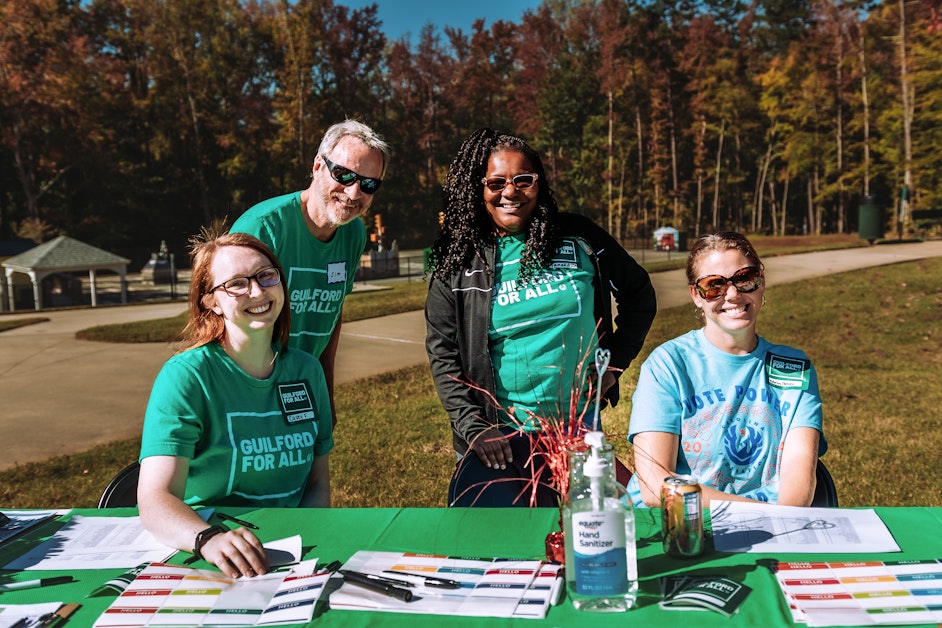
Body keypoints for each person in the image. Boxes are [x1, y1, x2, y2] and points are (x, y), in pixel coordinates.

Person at [425, 128, 657, 507]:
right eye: (496, 182)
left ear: (539, 182)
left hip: (578, 431)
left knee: (606, 536)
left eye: (523, 179)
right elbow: (443, 355)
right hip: (498, 441)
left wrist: (614, 363)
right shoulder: (459, 261)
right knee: (507, 553)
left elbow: (640, 296)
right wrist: (474, 429)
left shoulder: (580, 236)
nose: (510, 192)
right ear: (477, 188)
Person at [137, 231, 333, 578]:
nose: (257, 292)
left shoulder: (307, 370)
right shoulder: (187, 376)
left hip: (291, 553)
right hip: (209, 552)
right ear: (210, 301)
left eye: (266, 275)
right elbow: (155, 498)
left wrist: (309, 537)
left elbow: (317, 482)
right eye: (237, 284)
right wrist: (208, 540)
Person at [627, 231, 827, 508]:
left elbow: (799, 475)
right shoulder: (668, 364)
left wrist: (778, 522)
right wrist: (757, 515)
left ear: (761, 282)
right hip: (679, 524)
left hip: (774, 525)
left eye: (745, 278)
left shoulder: (793, 367)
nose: (732, 294)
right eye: (714, 285)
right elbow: (654, 484)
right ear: (696, 296)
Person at [231, 119, 390, 425]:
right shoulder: (263, 228)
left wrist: (324, 390)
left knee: (308, 470)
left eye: (369, 184)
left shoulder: (353, 232)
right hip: (248, 390)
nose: (354, 192)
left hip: (301, 385)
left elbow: (331, 314)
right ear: (318, 166)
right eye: (343, 175)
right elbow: (222, 322)